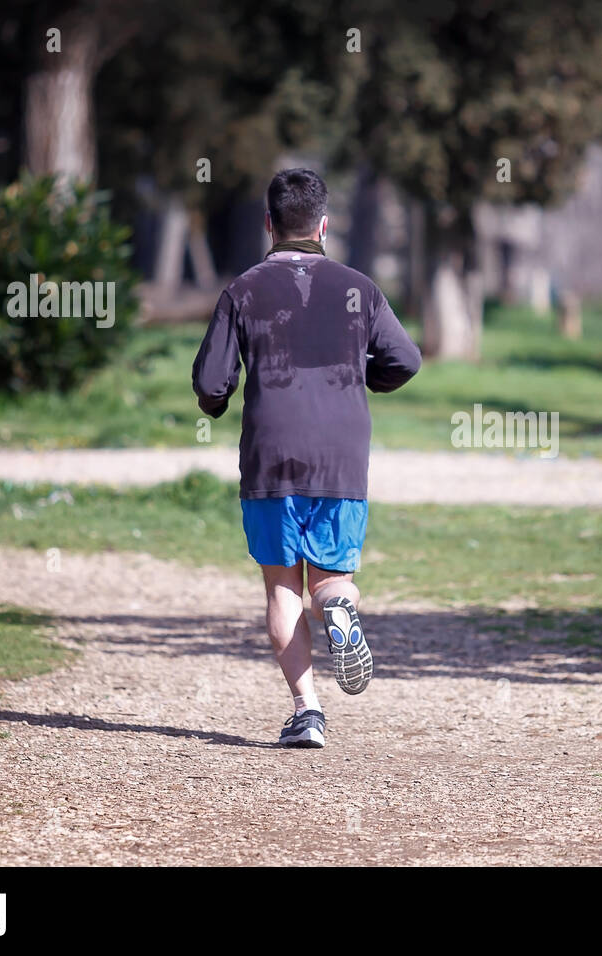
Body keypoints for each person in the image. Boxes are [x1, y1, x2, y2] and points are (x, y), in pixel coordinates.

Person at [192, 168, 421, 748]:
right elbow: (406, 360)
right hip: (340, 455)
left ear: (268, 223)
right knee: (331, 577)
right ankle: (340, 607)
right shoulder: (359, 288)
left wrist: (220, 399)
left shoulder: (243, 290)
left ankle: (308, 710)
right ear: (325, 224)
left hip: (271, 456)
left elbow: (212, 384)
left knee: (281, 588)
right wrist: (356, 378)